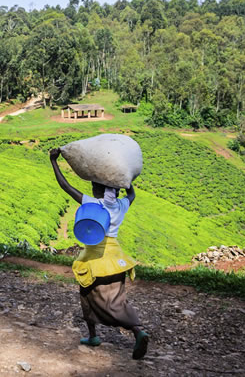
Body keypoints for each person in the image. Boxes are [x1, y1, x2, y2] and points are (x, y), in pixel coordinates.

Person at [49, 147, 149, 360]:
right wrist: (126, 180)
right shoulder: (121, 205)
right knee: (117, 299)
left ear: (98, 191)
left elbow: (65, 186)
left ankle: (135, 330)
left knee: (88, 298)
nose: (92, 189)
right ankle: (123, 333)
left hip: (96, 260)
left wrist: (54, 161)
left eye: (94, 186)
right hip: (116, 259)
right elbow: (131, 194)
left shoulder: (93, 203)